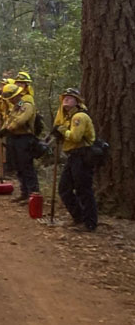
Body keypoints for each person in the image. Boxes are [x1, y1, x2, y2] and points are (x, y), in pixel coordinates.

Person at [53, 88, 98, 231]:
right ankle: (78, 217)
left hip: (82, 157)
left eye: (70, 98)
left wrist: (62, 132)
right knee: (64, 189)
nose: (66, 99)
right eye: (65, 97)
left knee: (83, 189)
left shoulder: (79, 117)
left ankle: (90, 223)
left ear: (77, 101)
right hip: (73, 157)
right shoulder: (68, 117)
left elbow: (75, 137)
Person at [0, 78, 40, 202]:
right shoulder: (17, 106)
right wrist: (2, 130)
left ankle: (33, 193)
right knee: (18, 166)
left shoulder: (26, 105)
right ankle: (24, 192)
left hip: (24, 139)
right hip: (14, 138)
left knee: (26, 166)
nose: (10, 100)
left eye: (11, 97)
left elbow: (21, 119)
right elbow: (10, 118)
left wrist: (9, 128)